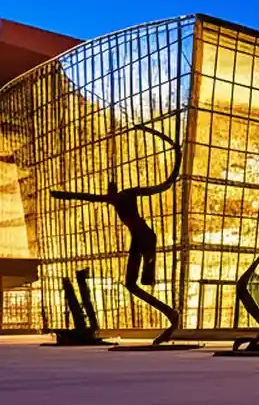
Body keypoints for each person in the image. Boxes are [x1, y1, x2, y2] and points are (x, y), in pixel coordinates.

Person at [50, 124, 182, 346]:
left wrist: (175, 165)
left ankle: (155, 274)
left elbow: (161, 187)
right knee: (131, 284)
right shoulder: (114, 200)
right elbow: (86, 197)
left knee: (145, 279)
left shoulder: (127, 195)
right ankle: (171, 314)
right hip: (138, 239)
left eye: (111, 193)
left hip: (146, 238)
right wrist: (62, 195)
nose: (109, 197)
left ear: (116, 190)